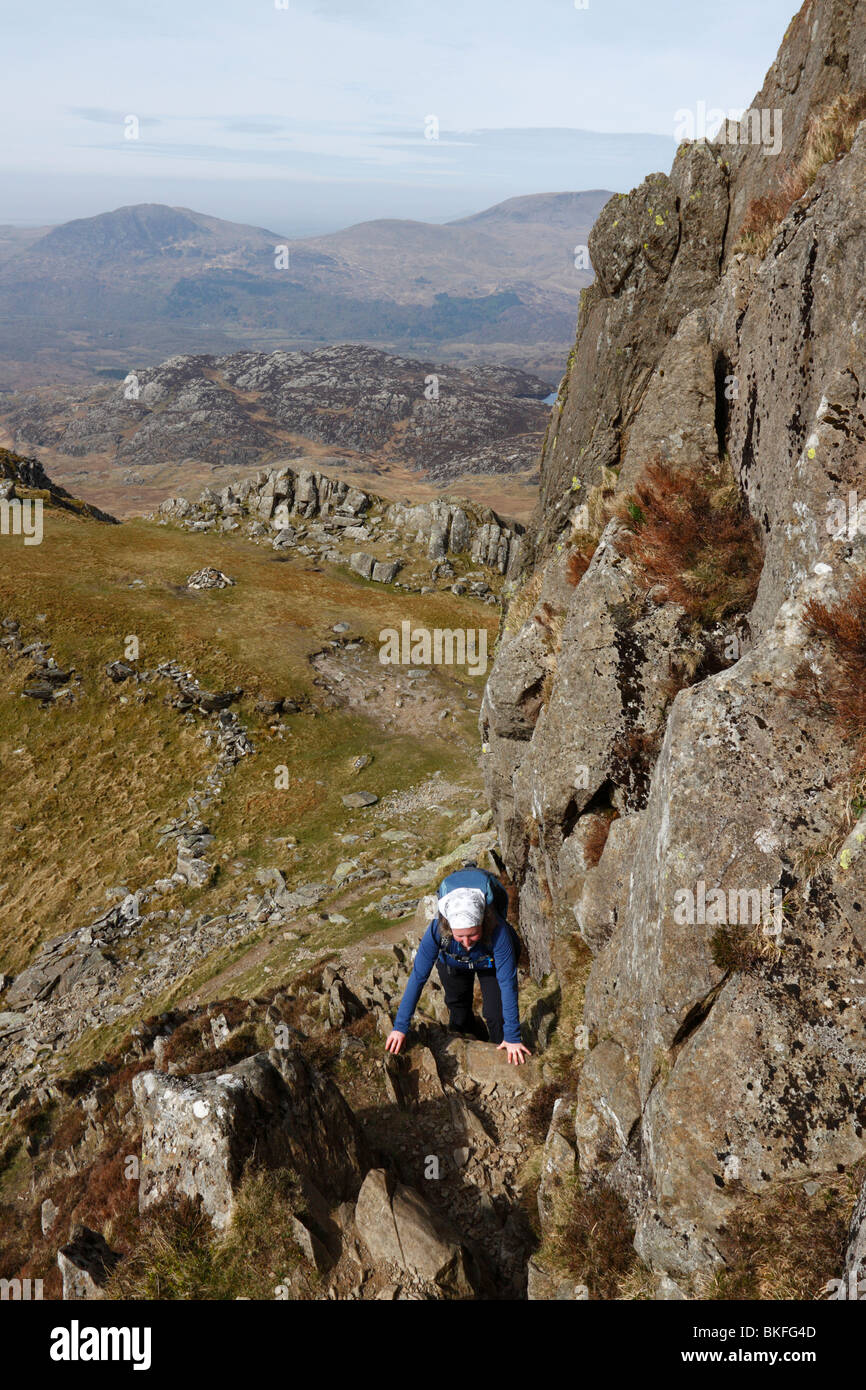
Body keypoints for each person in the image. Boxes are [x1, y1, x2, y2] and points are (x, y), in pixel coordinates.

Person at [385, 867, 532, 1065]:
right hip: (453, 964)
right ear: (449, 927)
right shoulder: (437, 931)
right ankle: (469, 1045)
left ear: (483, 922)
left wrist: (513, 1037)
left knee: (496, 1016)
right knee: (458, 1013)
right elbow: (418, 976)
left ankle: (503, 1055)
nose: (467, 942)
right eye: (459, 935)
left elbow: (507, 983)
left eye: (472, 934)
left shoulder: (499, 933)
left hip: (490, 965)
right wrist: (400, 1026)